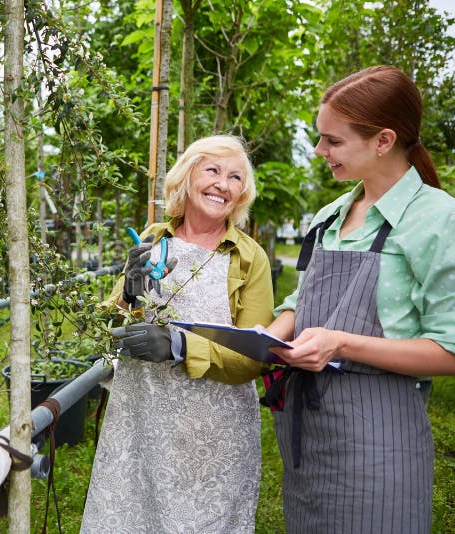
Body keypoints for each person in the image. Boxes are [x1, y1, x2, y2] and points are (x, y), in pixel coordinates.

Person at [262, 65, 455, 533]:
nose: (319, 150)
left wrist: (341, 344)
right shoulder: (332, 214)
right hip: (308, 435)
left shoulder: (436, 218)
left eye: (332, 140)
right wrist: (264, 338)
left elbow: (449, 350)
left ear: (383, 140)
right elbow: (303, 297)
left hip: (379, 443)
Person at [80, 135, 274, 533]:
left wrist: (180, 344)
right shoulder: (153, 238)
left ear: (242, 194)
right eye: (213, 170)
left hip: (212, 431)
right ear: (187, 177)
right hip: (142, 418)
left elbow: (255, 356)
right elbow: (114, 327)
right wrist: (130, 293)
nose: (224, 184)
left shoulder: (249, 257)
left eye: (235, 177)